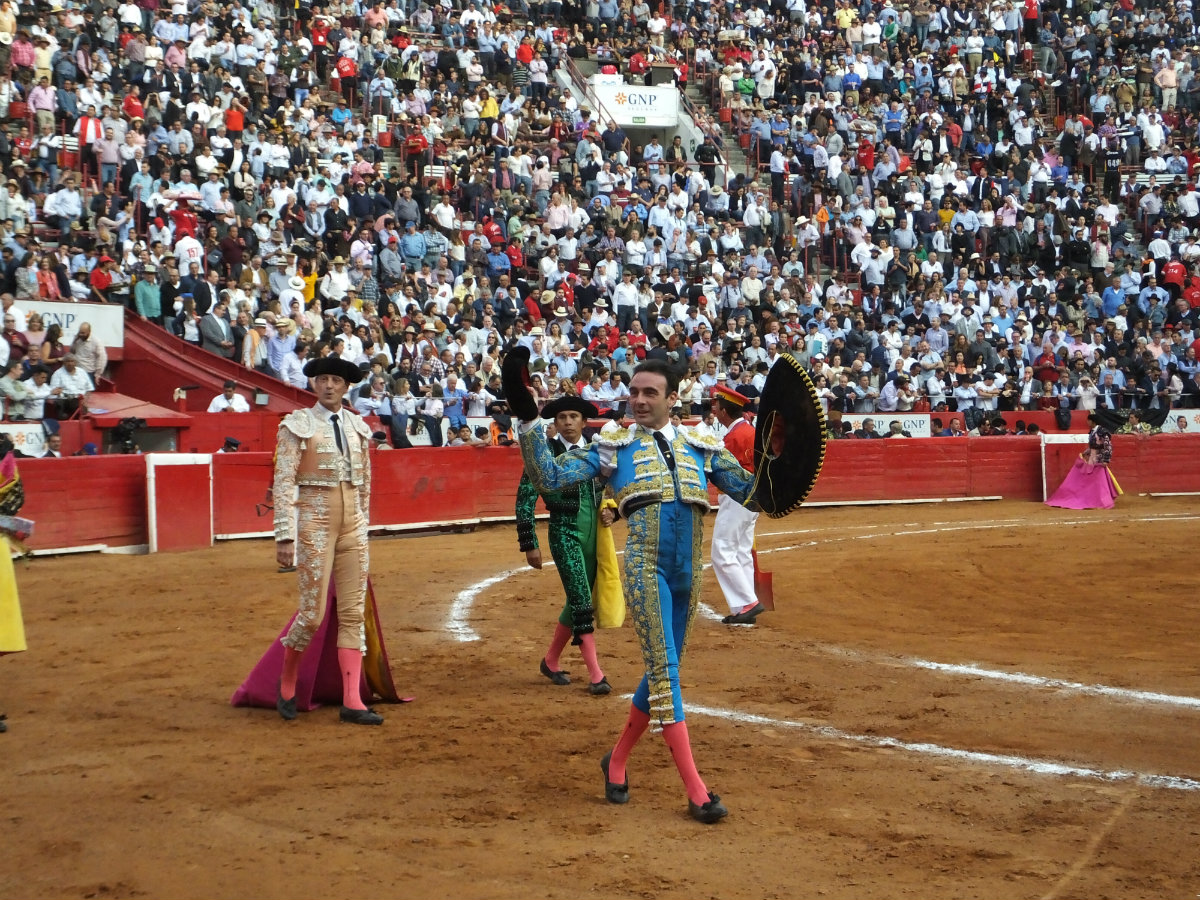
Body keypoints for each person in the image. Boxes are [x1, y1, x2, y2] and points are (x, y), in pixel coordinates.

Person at [517, 358, 757, 824]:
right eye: (635, 392)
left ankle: (618, 759)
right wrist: (529, 420)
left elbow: (754, 493)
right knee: (666, 673)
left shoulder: (701, 444)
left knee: (661, 670)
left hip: (689, 578)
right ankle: (696, 789)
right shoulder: (613, 446)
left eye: (651, 393)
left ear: (673, 399)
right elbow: (549, 476)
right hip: (647, 572)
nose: (640, 400)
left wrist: (786, 455)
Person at [272, 355, 383, 725]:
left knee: (352, 611)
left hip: (353, 524)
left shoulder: (358, 426)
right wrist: (285, 534)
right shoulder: (297, 424)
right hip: (314, 523)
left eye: (335, 379)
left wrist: (363, 522)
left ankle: (352, 701)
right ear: (314, 384)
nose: (329, 385)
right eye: (323, 379)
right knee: (313, 613)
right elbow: (284, 480)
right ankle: (287, 679)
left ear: (346, 386)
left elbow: (364, 481)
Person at [516, 396, 611, 695]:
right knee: (582, 602)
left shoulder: (600, 452)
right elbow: (525, 497)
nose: (568, 422)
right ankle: (596, 675)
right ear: (555, 424)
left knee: (579, 600)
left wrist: (615, 509)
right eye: (562, 418)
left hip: (596, 536)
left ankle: (550, 660)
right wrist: (529, 543)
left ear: (584, 422)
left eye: (573, 417)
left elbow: (616, 489)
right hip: (563, 532)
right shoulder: (546, 454)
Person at [709, 385, 763, 625]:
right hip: (753, 499)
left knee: (722, 550)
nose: (713, 408)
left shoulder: (733, 437)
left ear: (723, 411)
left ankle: (748, 602)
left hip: (737, 498)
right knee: (741, 551)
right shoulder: (749, 431)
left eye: (716, 405)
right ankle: (745, 607)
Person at [1045, 414, 1122, 510]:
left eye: (1088, 420)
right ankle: (1094, 500)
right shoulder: (1092, 432)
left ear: (1093, 421)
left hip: (1099, 459)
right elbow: (1093, 447)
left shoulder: (1102, 432)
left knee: (1099, 482)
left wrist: (1106, 460)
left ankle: (1102, 501)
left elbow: (1108, 447)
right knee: (1093, 482)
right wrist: (1086, 452)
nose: (1087, 422)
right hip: (1092, 459)